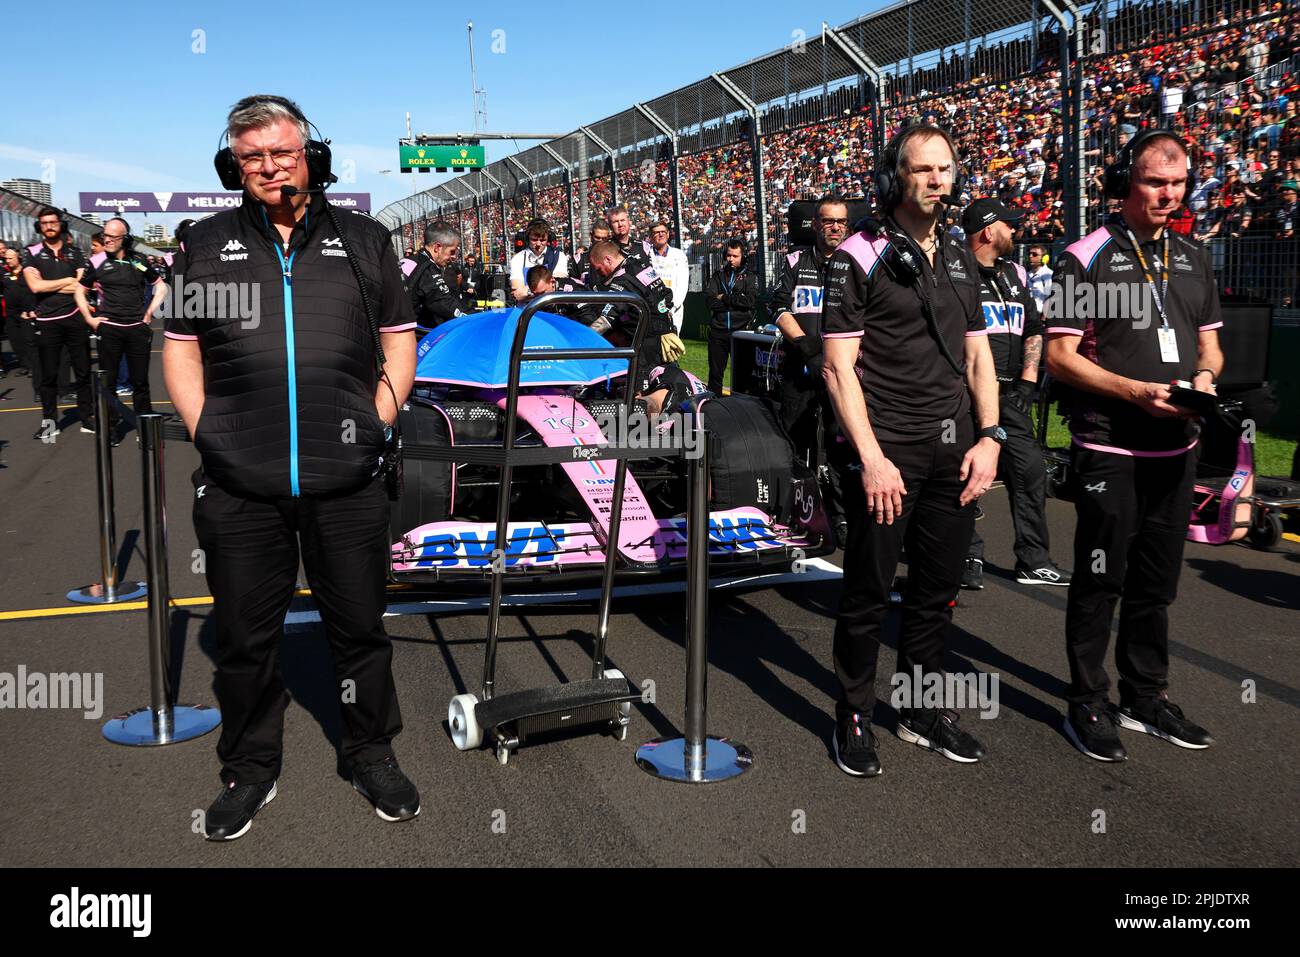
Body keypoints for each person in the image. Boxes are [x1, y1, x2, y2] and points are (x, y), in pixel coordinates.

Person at [162, 94, 420, 840]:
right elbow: (179, 348)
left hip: (349, 480)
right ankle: (249, 766)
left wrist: (379, 416)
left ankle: (370, 751)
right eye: (253, 158)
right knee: (245, 637)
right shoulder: (205, 244)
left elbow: (399, 339)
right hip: (241, 483)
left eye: (283, 152)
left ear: (312, 155)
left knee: (360, 629)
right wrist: (207, 428)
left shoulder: (366, 239)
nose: (271, 167)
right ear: (232, 167)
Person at [821, 124, 1001, 777]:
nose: (935, 179)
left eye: (944, 168)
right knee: (869, 588)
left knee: (938, 589)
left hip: (956, 450)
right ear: (896, 176)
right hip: (886, 451)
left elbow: (979, 353)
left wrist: (991, 436)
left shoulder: (958, 252)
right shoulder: (857, 254)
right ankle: (854, 709)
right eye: (921, 169)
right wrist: (870, 456)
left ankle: (922, 707)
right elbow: (839, 368)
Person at [1046, 129, 1222, 763]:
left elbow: (1211, 345)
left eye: (1176, 183)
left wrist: (1203, 381)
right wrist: (1130, 390)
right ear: (1126, 183)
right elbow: (1058, 357)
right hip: (1109, 447)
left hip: (1177, 448)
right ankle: (1087, 698)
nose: (1167, 194)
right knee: (1101, 579)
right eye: (1154, 182)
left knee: (1157, 584)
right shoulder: (1082, 257)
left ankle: (1145, 695)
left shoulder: (1196, 256)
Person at [959, 199, 1070, 590]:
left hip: (1012, 394)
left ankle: (1033, 560)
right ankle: (964, 554)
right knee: (966, 474)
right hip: (966, 392)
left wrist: (1027, 379)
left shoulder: (1015, 273)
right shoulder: (957, 272)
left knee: (1030, 470)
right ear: (989, 231)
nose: (1015, 231)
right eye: (1009, 225)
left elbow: (1035, 328)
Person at [768, 196, 850, 537]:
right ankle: (787, 510)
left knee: (841, 444)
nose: (835, 227)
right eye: (828, 221)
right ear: (815, 224)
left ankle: (842, 514)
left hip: (842, 372)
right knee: (792, 439)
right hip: (800, 368)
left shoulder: (855, 265)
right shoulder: (794, 260)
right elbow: (776, 306)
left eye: (841, 222)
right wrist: (804, 344)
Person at [72, 218, 167, 442]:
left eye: (113, 237)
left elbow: (160, 285)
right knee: (109, 382)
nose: (107, 240)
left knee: (140, 382)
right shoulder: (96, 262)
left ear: (125, 238)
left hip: (136, 328)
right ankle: (111, 428)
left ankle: (145, 429)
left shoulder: (138, 261)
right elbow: (79, 290)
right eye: (105, 235)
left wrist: (150, 312)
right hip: (110, 329)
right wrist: (90, 318)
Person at [23, 207, 92, 439]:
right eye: (44, 223)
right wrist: (67, 280)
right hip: (47, 321)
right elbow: (35, 287)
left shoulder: (75, 252)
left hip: (75, 317)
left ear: (61, 225)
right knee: (48, 376)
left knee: (83, 372)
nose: (49, 226)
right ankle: (49, 424)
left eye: (53, 222)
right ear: (39, 226)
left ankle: (87, 417)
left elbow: (82, 286)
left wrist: (51, 283)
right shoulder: (31, 252)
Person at [581, 239, 680, 394]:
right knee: (669, 384)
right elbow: (667, 296)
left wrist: (583, 339)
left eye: (599, 270)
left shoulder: (623, 279)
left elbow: (607, 319)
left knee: (641, 395)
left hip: (647, 346)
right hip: (666, 338)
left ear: (608, 259)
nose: (599, 275)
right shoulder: (640, 264)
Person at [703, 239, 756, 394]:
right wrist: (736, 300)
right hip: (718, 331)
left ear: (743, 256)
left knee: (742, 373)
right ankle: (713, 406)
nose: (731, 259)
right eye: (729, 255)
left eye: (735, 256)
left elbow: (749, 301)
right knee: (715, 374)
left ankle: (740, 406)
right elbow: (710, 302)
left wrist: (725, 298)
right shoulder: (717, 276)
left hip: (740, 332)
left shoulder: (750, 277)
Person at [408, 221, 467, 332]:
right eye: (452, 251)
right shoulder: (427, 268)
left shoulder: (412, 260)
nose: (453, 257)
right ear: (437, 247)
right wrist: (473, 317)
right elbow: (444, 304)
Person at [2, 247, 39, 393]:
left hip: (26, 312)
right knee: (15, 341)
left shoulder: (27, 271)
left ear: (18, 257)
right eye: (6, 258)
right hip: (11, 314)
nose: (8, 260)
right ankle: (24, 365)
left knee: (29, 341)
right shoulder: (3, 272)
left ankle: (33, 367)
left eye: (11, 258)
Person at [509, 220, 568, 302]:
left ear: (548, 239)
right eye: (534, 240)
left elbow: (557, 287)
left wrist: (527, 292)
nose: (538, 244)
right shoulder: (518, 259)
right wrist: (543, 290)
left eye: (542, 240)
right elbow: (517, 294)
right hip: (526, 311)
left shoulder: (558, 256)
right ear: (527, 238)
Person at [648, 222, 689, 333]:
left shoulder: (679, 255)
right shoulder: (646, 254)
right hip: (651, 308)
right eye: (656, 232)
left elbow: (682, 285)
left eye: (663, 232)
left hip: (673, 309)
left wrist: (673, 306)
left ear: (668, 234)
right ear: (651, 236)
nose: (661, 235)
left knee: (671, 347)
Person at [1026, 244, 1053, 316]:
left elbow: (1050, 298)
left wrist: (1044, 318)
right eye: (1029, 254)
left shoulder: (1048, 275)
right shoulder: (1025, 275)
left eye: (1034, 254)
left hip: (1040, 316)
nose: (1030, 256)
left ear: (1044, 258)